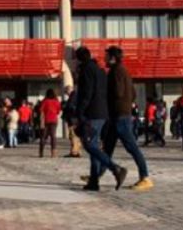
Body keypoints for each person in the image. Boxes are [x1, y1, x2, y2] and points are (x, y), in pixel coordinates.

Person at [71, 47, 129, 191]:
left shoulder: (87, 70)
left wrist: (80, 112)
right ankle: (94, 181)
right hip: (103, 113)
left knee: (89, 145)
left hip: (92, 113)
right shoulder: (100, 70)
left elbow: (87, 93)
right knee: (94, 146)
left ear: (78, 59)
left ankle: (115, 168)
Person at [100, 47, 152, 191]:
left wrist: (106, 96)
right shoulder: (123, 71)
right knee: (107, 148)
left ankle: (145, 177)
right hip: (120, 114)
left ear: (112, 58)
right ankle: (96, 176)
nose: (104, 59)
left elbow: (118, 92)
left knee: (132, 148)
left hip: (120, 116)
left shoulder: (116, 71)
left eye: (106, 56)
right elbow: (133, 93)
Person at [38, 90, 61, 158]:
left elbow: (41, 111)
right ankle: (53, 153)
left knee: (43, 137)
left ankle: (41, 152)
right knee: (53, 137)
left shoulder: (45, 101)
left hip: (46, 121)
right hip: (54, 120)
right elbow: (58, 111)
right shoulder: (56, 101)